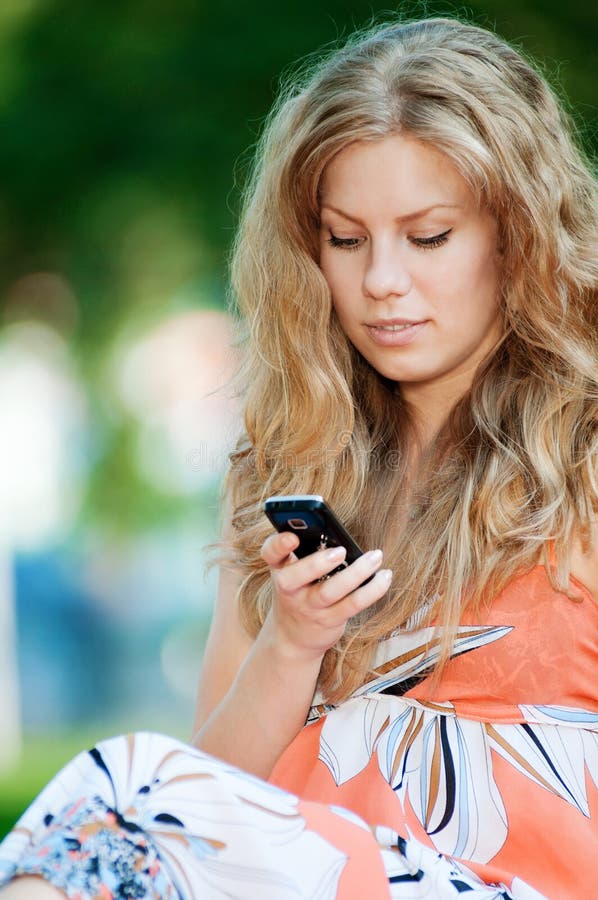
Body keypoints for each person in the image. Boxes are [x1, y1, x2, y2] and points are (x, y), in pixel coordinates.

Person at [1, 15, 597, 900]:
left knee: (121, 790)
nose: (382, 281)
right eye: (345, 239)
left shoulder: (581, 456)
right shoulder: (288, 466)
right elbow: (202, 793)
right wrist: (291, 645)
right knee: (126, 803)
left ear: (517, 236)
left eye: (428, 237)